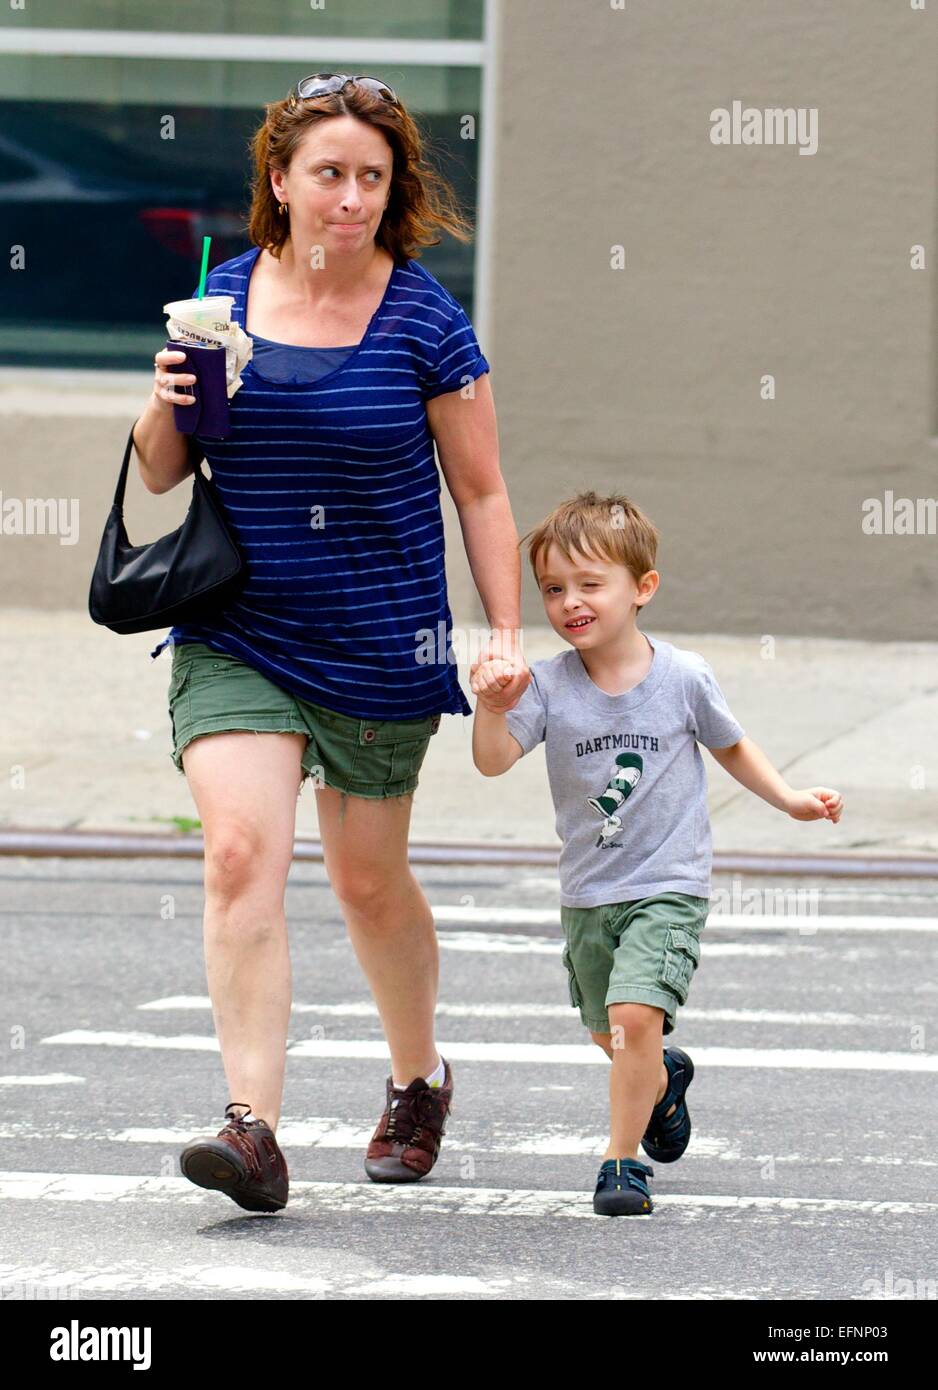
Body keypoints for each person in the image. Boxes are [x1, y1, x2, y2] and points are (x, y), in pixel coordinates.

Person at [131, 73, 530, 1212]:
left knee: (366, 882)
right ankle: (252, 1126)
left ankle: (418, 1076)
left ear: (389, 188)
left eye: (371, 176)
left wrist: (499, 637)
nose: (350, 197)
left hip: (376, 641)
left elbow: (483, 491)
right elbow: (164, 468)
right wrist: (165, 392)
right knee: (239, 857)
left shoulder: (420, 316)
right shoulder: (221, 294)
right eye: (328, 174)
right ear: (279, 181)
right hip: (237, 627)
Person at [469, 490, 844, 1216]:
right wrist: (492, 704)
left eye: (589, 584)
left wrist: (791, 799)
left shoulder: (683, 677)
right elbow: (492, 762)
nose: (569, 602)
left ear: (642, 589)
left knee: (634, 1018)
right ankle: (664, 1081)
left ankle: (620, 1162)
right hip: (588, 891)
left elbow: (732, 746)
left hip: (668, 884)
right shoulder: (546, 685)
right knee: (608, 1032)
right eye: (552, 589)